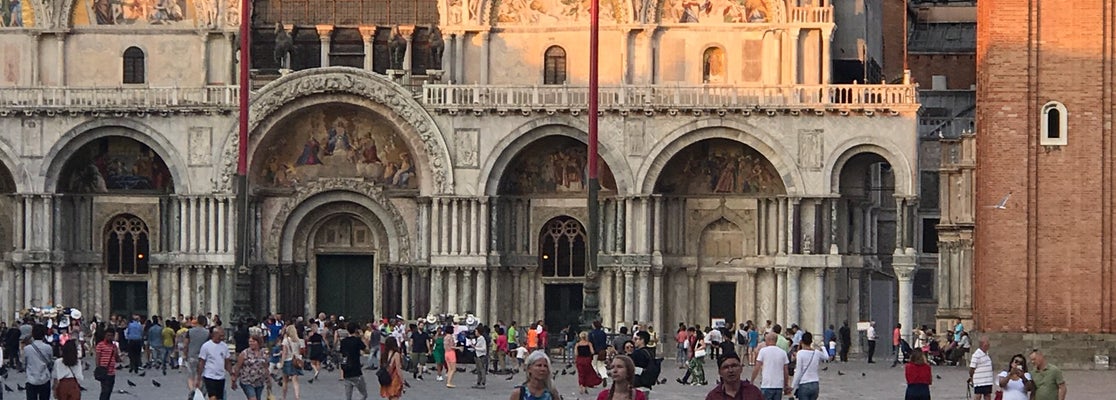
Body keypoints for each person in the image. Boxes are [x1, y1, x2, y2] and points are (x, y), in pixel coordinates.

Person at [751, 333, 790, 400]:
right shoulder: (783, 352)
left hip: (767, 384)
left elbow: (757, 367)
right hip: (778, 385)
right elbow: (786, 370)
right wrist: (786, 384)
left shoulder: (763, 351)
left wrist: (752, 380)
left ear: (769, 340)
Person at [232, 335, 272, 400]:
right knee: (252, 398)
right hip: (247, 380)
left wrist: (268, 381)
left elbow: (266, 367)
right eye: (250, 341)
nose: (251, 343)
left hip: (259, 381)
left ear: (258, 342)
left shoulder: (264, 353)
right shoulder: (245, 353)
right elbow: (238, 367)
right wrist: (234, 379)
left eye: (253, 341)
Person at [197, 326, 232, 400]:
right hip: (209, 375)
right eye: (220, 336)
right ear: (214, 335)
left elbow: (227, 361)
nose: (222, 338)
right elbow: (201, 362)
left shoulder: (224, 346)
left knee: (219, 397)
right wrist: (199, 377)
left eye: (223, 336)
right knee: (212, 397)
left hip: (221, 376)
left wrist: (231, 373)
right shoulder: (206, 346)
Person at [791, 332, 828, 400]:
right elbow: (826, 357)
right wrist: (823, 347)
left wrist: (793, 386)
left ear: (802, 342)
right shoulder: (816, 352)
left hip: (804, 383)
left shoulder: (800, 353)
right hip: (815, 383)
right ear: (811, 342)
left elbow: (798, 371)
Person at [22, 324, 53, 400]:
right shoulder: (48, 348)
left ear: (33, 334)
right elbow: (50, 361)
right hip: (45, 378)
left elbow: (24, 363)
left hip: (31, 378)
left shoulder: (27, 349)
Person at [338, 323, 368, 400]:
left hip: (346, 371)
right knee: (364, 394)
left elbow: (341, 354)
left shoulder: (343, 341)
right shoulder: (357, 341)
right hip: (356, 370)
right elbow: (367, 349)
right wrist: (362, 337)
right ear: (356, 330)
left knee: (348, 397)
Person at [185, 316, 210, 393]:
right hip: (202, 358)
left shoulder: (190, 331)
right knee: (200, 376)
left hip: (191, 356)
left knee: (191, 376)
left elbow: (186, 344)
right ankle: (198, 390)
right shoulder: (207, 333)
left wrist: (185, 354)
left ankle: (192, 390)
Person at [94, 327, 121, 400]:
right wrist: (98, 369)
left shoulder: (114, 346)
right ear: (105, 335)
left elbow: (117, 359)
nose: (109, 337)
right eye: (108, 335)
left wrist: (117, 354)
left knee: (109, 391)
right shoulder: (100, 345)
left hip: (112, 372)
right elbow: (97, 358)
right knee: (105, 391)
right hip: (104, 372)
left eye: (111, 336)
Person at [279, 325, 304, 400]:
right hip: (296, 361)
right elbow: (300, 352)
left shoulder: (286, 340)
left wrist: (282, 362)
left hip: (287, 360)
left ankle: (284, 397)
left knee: (285, 381)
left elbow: (284, 352)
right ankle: (297, 396)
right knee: (295, 381)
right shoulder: (298, 340)